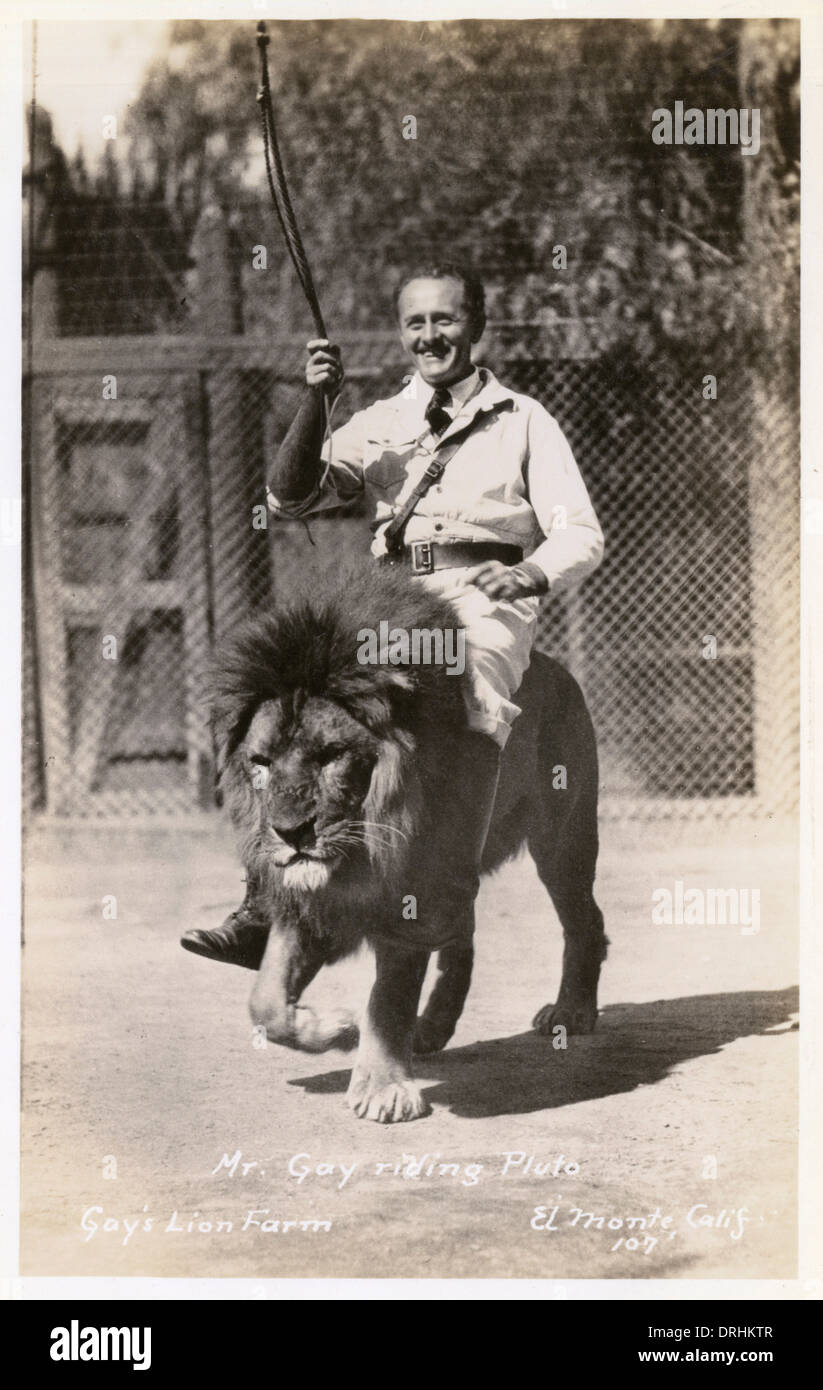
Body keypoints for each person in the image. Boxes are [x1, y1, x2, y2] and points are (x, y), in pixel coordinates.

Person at [181, 263, 604, 966]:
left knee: (474, 694)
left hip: (480, 599)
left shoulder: (524, 420)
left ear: (475, 324)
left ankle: (445, 888)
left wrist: (529, 569)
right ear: (401, 331)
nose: (430, 336)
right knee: (290, 706)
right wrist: (317, 402)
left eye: (445, 320)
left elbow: (579, 532)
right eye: (416, 323)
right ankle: (264, 903)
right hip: (389, 604)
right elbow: (291, 497)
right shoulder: (380, 421)